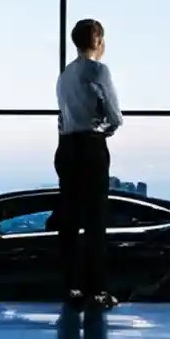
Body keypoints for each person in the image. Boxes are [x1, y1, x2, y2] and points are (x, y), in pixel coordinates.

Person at [56, 19, 124, 309]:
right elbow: (115, 116)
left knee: (70, 220)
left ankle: (71, 288)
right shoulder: (98, 70)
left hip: (66, 147)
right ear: (97, 40)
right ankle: (98, 291)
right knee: (96, 222)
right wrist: (105, 128)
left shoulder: (64, 76)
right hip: (90, 147)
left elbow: (62, 118)